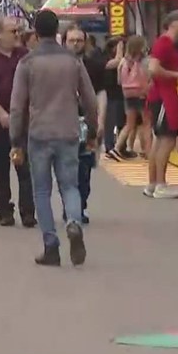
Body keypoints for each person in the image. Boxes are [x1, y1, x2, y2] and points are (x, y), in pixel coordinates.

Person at [9, 10, 98, 267]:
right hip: (68, 131)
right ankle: (73, 220)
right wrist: (92, 131)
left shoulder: (27, 63)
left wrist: (16, 140)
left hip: (38, 133)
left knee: (41, 190)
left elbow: (17, 106)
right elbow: (90, 100)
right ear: (58, 31)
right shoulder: (73, 61)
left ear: (35, 32)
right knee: (70, 186)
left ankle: (51, 245)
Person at [0, 17, 36, 227]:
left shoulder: (25, 56)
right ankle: (4, 209)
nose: (17, 35)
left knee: (26, 166)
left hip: (25, 119)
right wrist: (1, 112)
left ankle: (28, 211)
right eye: (12, 31)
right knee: (0, 166)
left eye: (18, 31)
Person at [145, 10, 178, 200]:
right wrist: (176, 75)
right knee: (167, 139)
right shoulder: (164, 43)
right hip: (165, 96)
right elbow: (153, 69)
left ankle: (153, 183)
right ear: (174, 23)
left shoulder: (165, 43)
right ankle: (160, 184)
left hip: (162, 95)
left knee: (159, 140)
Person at [63, 26, 103, 222]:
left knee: (85, 168)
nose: (76, 44)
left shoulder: (93, 64)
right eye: (72, 40)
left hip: (87, 122)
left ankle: (81, 204)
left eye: (79, 40)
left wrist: (100, 119)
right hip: (64, 123)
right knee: (67, 167)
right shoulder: (58, 65)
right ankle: (70, 207)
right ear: (64, 42)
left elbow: (101, 93)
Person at [116, 35, 151, 159]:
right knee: (146, 123)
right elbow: (149, 76)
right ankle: (148, 150)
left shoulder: (123, 61)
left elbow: (119, 80)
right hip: (142, 93)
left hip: (127, 94)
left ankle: (117, 148)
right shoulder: (145, 61)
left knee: (129, 124)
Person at [101, 36, 129, 161]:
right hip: (111, 94)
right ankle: (109, 146)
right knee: (111, 121)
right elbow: (115, 62)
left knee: (122, 121)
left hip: (122, 94)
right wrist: (119, 48)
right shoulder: (105, 58)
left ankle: (122, 147)